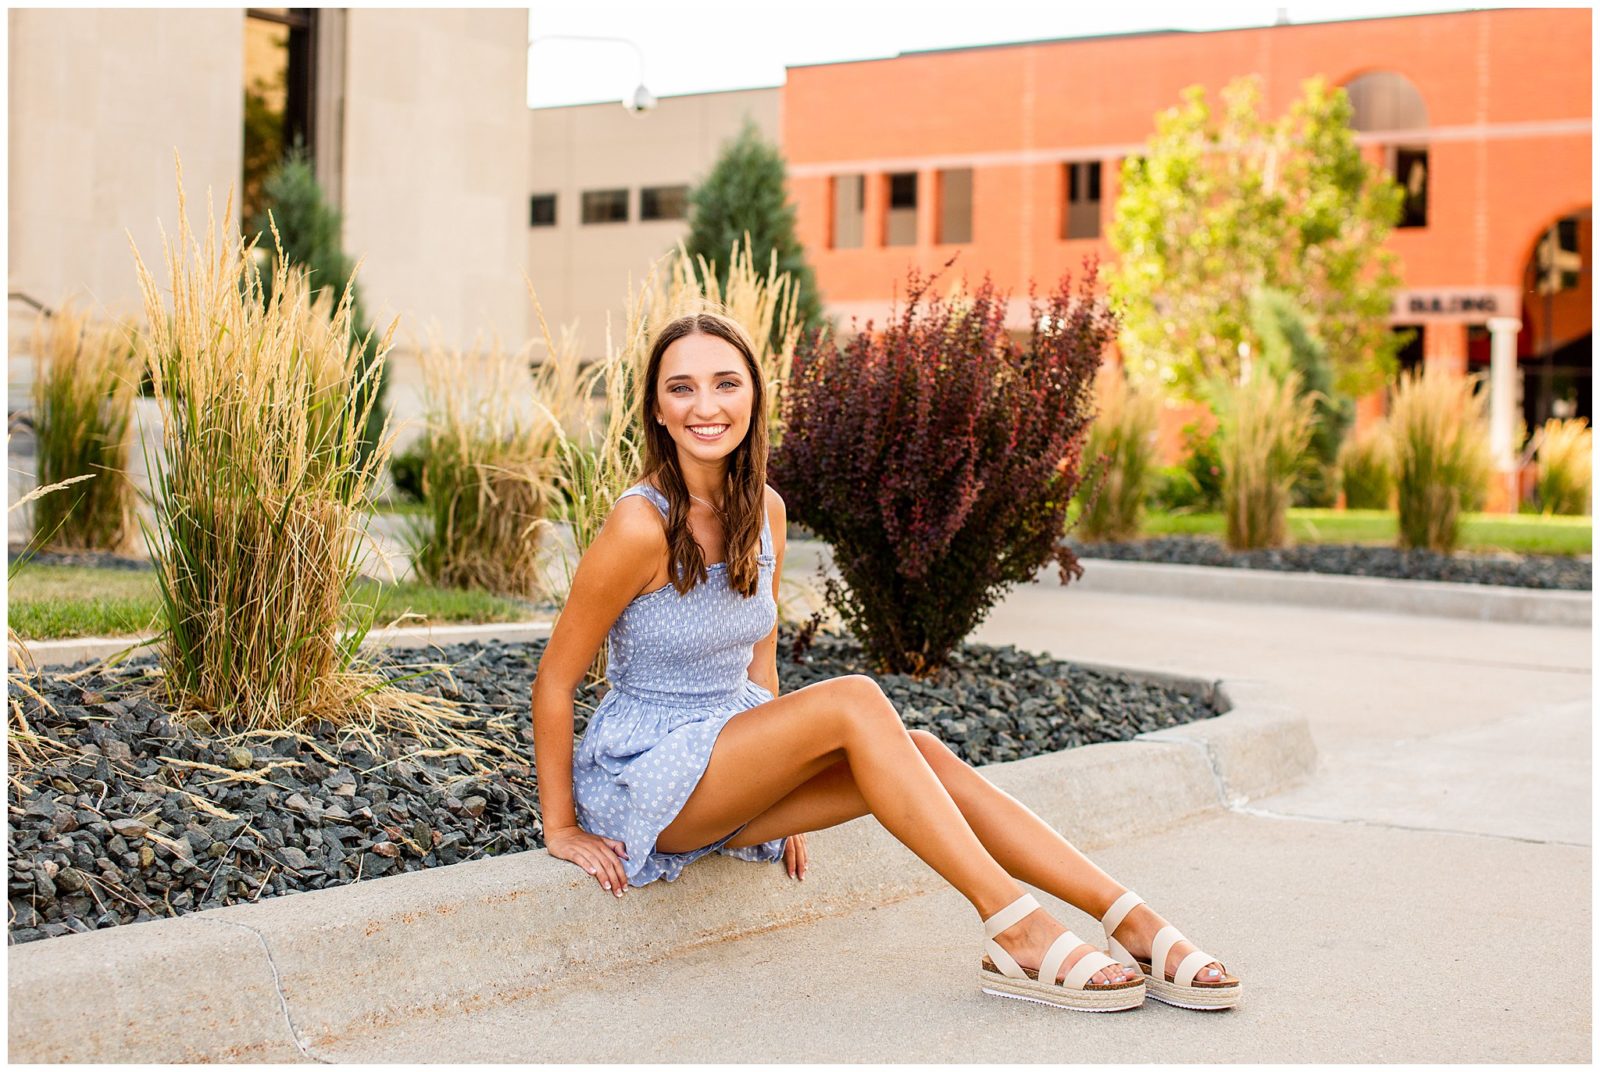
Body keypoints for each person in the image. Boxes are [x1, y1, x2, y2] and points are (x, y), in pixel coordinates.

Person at [531, 310, 1240, 1013]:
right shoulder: (640, 523)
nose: (707, 406)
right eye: (681, 388)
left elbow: (761, 660)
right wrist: (561, 828)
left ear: (754, 395)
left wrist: (779, 784)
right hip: (649, 777)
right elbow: (556, 680)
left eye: (726, 383)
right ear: (656, 408)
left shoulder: (764, 511)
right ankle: (1016, 928)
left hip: (726, 761)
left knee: (923, 752)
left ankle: (1132, 921)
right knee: (854, 700)